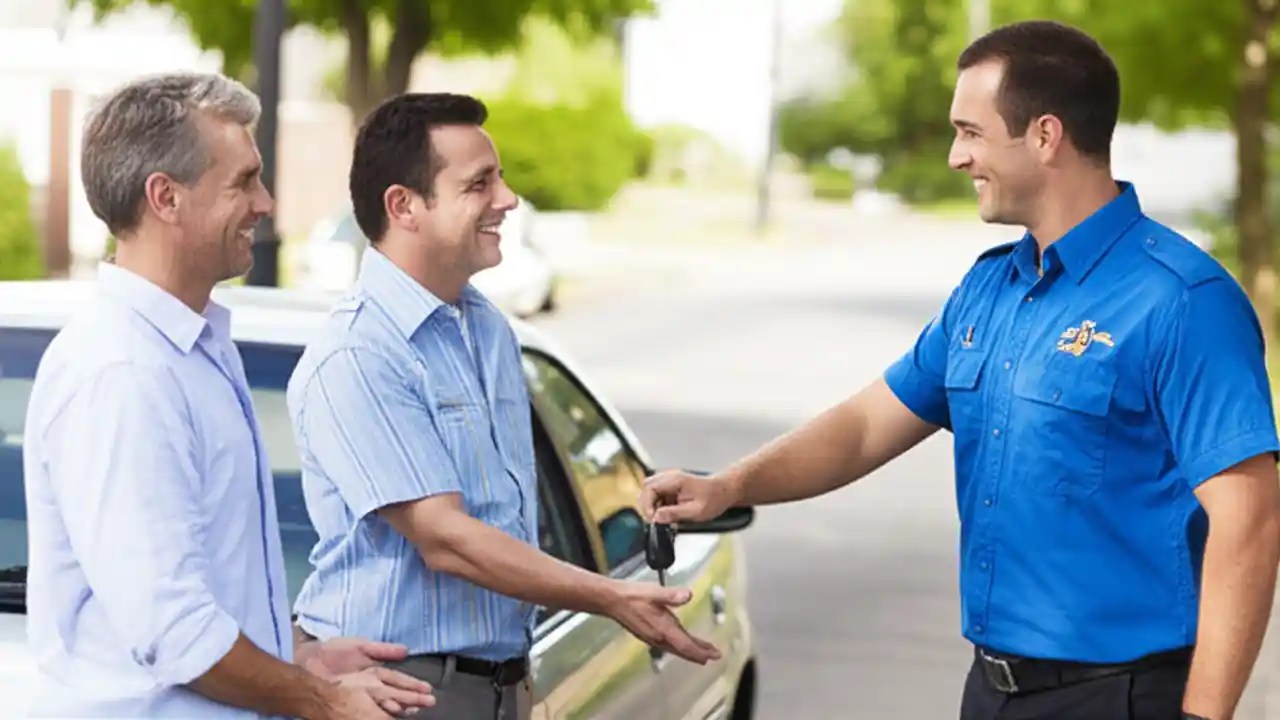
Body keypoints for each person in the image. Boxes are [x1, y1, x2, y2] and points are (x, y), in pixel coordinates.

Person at [640, 20, 1280, 720]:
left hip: (1124, 696)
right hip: (992, 691)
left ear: (1044, 135)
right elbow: (863, 427)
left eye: (971, 132)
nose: (954, 156)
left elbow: (1248, 517)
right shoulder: (988, 290)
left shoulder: (1182, 302)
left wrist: (1205, 716)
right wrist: (728, 485)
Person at [286, 92, 721, 719]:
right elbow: (447, 540)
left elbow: (504, 522)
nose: (507, 199)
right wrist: (611, 596)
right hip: (396, 691)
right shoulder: (358, 354)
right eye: (479, 184)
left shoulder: (489, 330)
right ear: (403, 206)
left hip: (503, 685)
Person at [22, 72, 434, 719]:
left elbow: (204, 585)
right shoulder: (124, 371)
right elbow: (172, 630)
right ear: (166, 197)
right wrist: (324, 700)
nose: (266, 203)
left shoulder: (191, 349)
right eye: (243, 181)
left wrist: (289, 652)